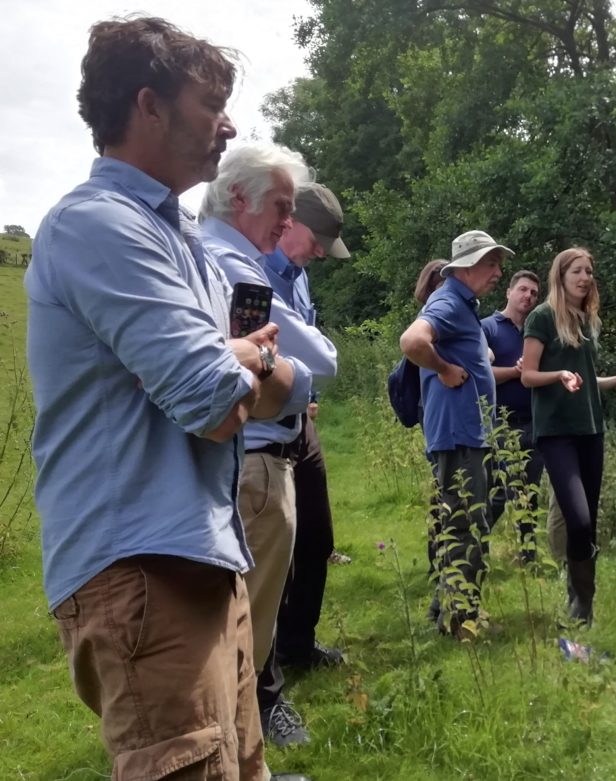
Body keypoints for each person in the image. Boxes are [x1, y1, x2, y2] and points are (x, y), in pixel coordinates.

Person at [24, 16, 308, 781]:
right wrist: (241, 357)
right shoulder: (96, 227)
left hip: (201, 558)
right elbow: (219, 401)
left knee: (243, 767)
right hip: (140, 573)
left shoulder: (181, 240)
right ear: (148, 106)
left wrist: (239, 359)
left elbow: (285, 388)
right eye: (211, 101)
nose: (229, 123)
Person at [201, 145, 338, 748]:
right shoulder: (231, 263)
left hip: (271, 443)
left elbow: (278, 361)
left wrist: (276, 369)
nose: (286, 225)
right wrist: (281, 371)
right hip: (252, 453)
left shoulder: (263, 266)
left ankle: (247, 738)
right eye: (280, 208)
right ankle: (245, 732)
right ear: (240, 198)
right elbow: (312, 362)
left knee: (256, 603)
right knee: (244, 619)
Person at [255, 184, 348, 724]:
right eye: (316, 241)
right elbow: (312, 352)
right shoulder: (252, 265)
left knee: (317, 537)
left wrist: (306, 397)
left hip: (297, 419)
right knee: (269, 560)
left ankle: (297, 643)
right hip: (261, 426)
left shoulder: (299, 274)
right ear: (288, 223)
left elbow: (304, 343)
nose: (318, 253)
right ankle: (265, 693)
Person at [521, 247, 616, 624]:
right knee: (576, 519)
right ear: (560, 276)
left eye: (589, 271)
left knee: (589, 522)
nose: (584, 277)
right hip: (556, 433)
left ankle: (582, 612)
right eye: (577, 271)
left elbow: (583, 378)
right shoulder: (542, 317)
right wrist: (557, 376)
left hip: (591, 431)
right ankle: (578, 603)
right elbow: (528, 374)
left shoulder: (585, 320)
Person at [399, 230, 512, 635]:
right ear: (465, 266)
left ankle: (444, 608)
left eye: (499, 264)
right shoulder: (448, 300)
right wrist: (444, 369)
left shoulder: (461, 305)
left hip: (468, 433)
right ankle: (461, 620)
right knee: (465, 525)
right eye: (491, 263)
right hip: (459, 435)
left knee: (465, 522)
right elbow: (412, 341)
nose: (499, 272)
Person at [481, 270, 544, 560]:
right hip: (501, 424)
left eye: (533, 293)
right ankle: (474, 547)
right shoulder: (488, 329)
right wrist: (517, 372)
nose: (528, 296)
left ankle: (527, 556)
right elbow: (480, 374)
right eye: (523, 289)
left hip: (535, 421)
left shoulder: (537, 331)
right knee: (498, 493)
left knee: (529, 494)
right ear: (508, 292)